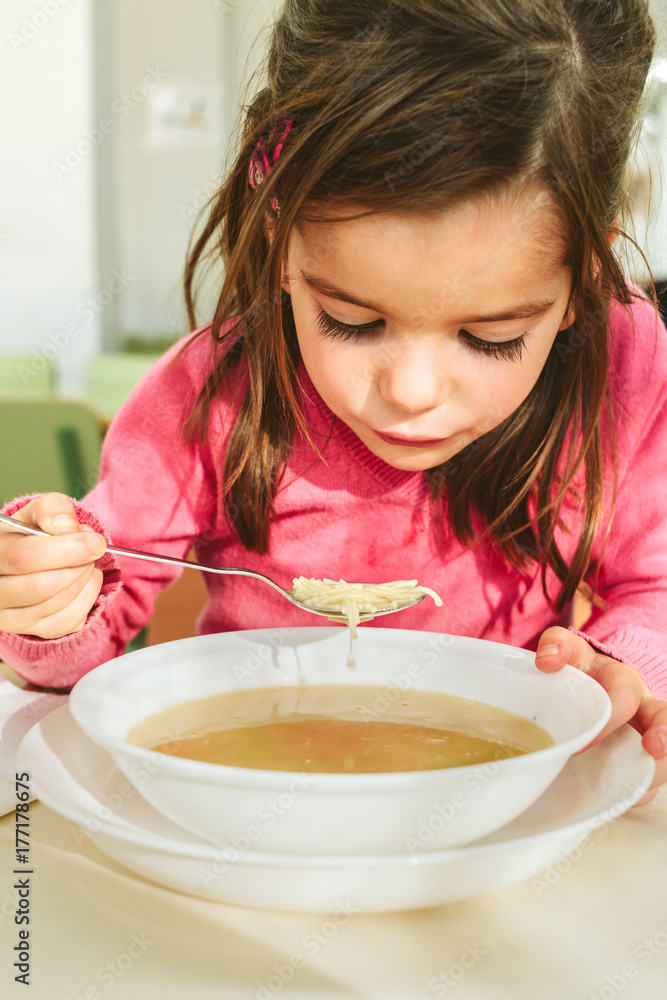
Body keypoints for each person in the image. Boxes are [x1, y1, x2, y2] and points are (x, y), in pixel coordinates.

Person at [1, 0, 665, 801]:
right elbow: (89, 643)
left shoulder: (618, 362)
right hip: (251, 793)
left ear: (579, 284)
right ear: (280, 240)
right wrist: (47, 602)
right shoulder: (211, 395)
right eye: (350, 321)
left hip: (496, 795)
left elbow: (653, 585)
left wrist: (626, 662)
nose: (411, 394)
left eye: (490, 339)